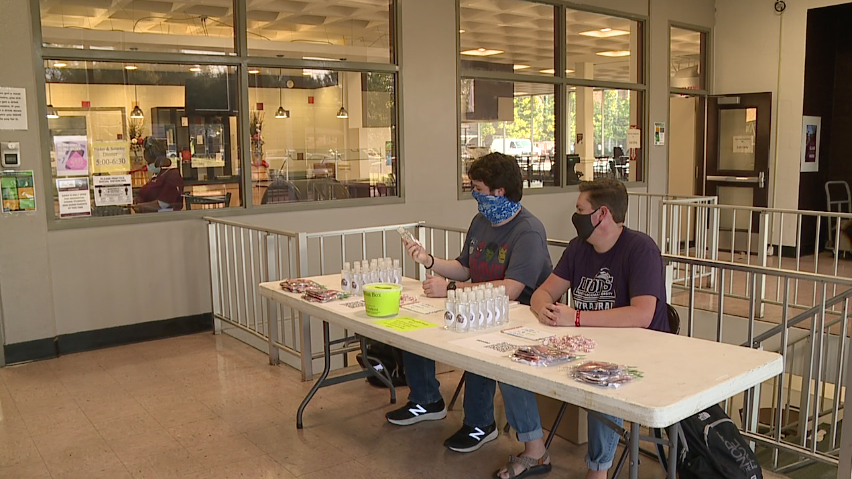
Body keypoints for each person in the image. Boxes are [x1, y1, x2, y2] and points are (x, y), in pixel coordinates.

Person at [386, 152, 554, 475]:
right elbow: (465, 267)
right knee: (416, 325)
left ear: (499, 192)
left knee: (481, 349)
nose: (474, 194)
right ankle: (426, 400)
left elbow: (512, 289)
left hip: (517, 317)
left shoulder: (529, 231)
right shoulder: (481, 222)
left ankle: (480, 423)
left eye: (478, 188)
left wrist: (450, 290)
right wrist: (430, 260)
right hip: (478, 305)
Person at [529, 178, 669, 479]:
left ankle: (598, 472)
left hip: (637, 354)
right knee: (519, 364)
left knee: (604, 379)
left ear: (601, 214)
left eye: (581, 209)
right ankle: (533, 448)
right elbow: (543, 293)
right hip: (583, 345)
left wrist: (576, 318)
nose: (575, 215)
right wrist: (545, 310)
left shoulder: (641, 249)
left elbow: (643, 315)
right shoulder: (578, 248)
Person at [134, 137, 184, 213]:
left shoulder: (173, 176)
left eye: (150, 162)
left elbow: (162, 204)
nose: (148, 165)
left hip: (163, 220)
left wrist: (140, 206)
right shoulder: (157, 176)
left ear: (159, 160)